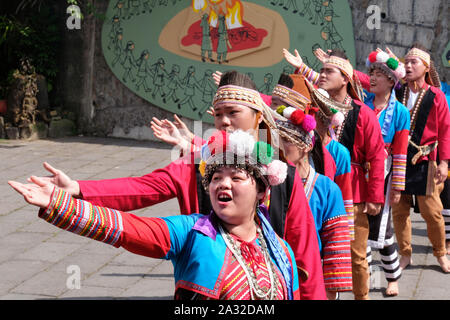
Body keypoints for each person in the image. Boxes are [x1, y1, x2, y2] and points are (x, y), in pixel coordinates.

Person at [31, 71, 327, 300]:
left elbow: (305, 257)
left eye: (233, 112)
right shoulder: (194, 165)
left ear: (258, 117)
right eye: (218, 113)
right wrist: (79, 190)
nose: (224, 121)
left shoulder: (282, 177)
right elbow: (143, 189)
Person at [8, 130, 300, 300]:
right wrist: (62, 203)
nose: (222, 183)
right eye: (215, 178)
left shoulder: (280, 251)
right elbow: (127, 228)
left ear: (263, 192)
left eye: (236, 177)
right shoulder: (192, 233)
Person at [284, 48, 386, 300]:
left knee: (355, 253)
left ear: (345, 79)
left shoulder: (363, 113)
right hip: (315, 193)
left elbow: (376, 155)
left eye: (329, 71)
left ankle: (362, 296)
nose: (322, 74)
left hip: (354, 194)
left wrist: (375, 196)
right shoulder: (312, 107)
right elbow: (278, 104)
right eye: (321, 70)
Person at [271, 73, 352, 300]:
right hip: (272, 275)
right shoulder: (270, 182)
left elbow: (336, 243)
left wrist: (329, 288)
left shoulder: (326, 189)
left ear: (306, 146)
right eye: (276, 140)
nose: (279, 147)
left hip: (310, 276)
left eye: (285, 141)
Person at [389, 44, 450, 272]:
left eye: (414, 62)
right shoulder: (397, 92)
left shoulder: (436, 96)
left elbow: (445, 131)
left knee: (432, 212)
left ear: (426, 67)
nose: (409, 65)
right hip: (400, 159)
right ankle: (405, 254)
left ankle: (440, 253)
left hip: (426, 161)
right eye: (407, 62)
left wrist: (444, 162)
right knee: (399, 210)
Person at [354, 50, 410, 296]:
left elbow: (400, 152)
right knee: (361, 224)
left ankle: (392, 277)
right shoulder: (362, 106)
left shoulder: (400, 113)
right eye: (372, 73)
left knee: (383, 229)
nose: (373, 78)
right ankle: (362, 277)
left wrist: (397, 186)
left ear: (391, 81)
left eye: (379, 74)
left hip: (385, 173)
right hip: (361, 172)